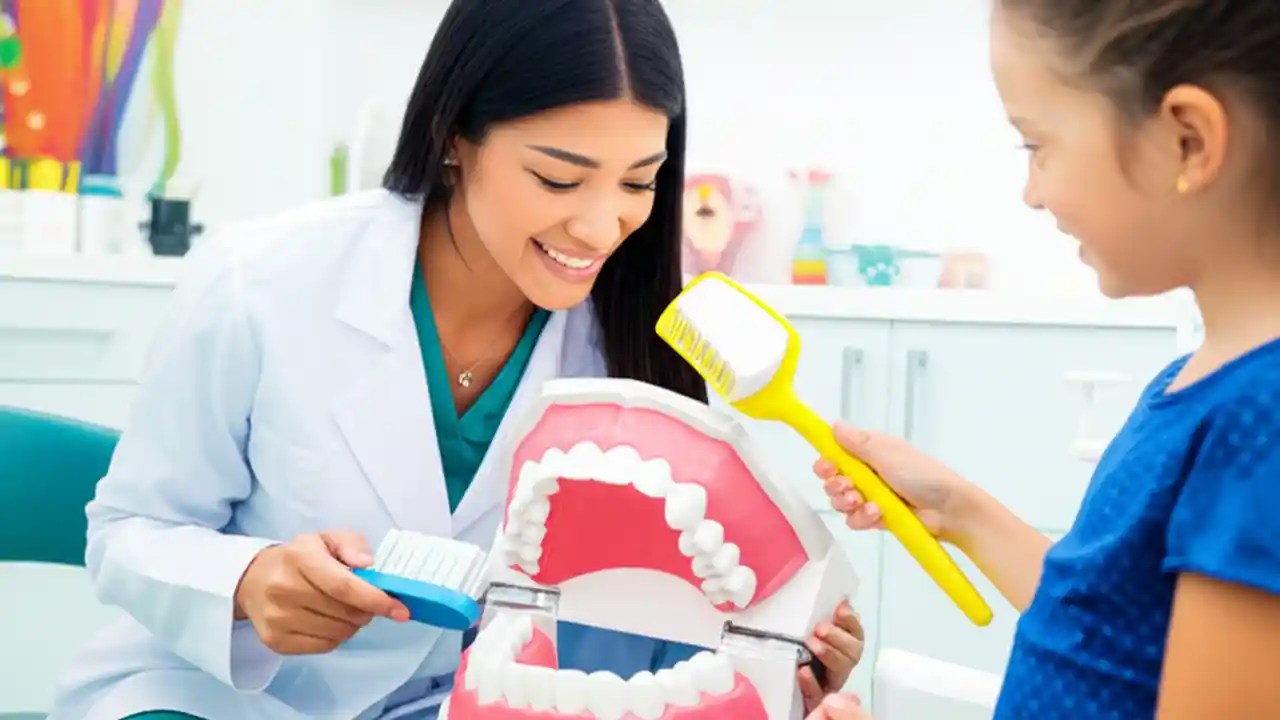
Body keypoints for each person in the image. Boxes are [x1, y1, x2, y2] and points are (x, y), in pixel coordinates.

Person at [48, 0, 865, 718]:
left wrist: (772, 653)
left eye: (638, 183)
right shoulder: (261, 281)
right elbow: (130, 530)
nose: (602, 227)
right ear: (455, 137)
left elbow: (635, 614)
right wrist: (247, 581)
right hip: (213, 700)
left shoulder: (636, 342)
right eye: (558, 178)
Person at [812, 1, 1280, 718]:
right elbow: (1112, 631)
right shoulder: (1202, 380)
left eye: (1037, 145)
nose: (1032, 193)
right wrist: (960, 510)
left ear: (1188, 140)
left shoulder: (1260, 418)